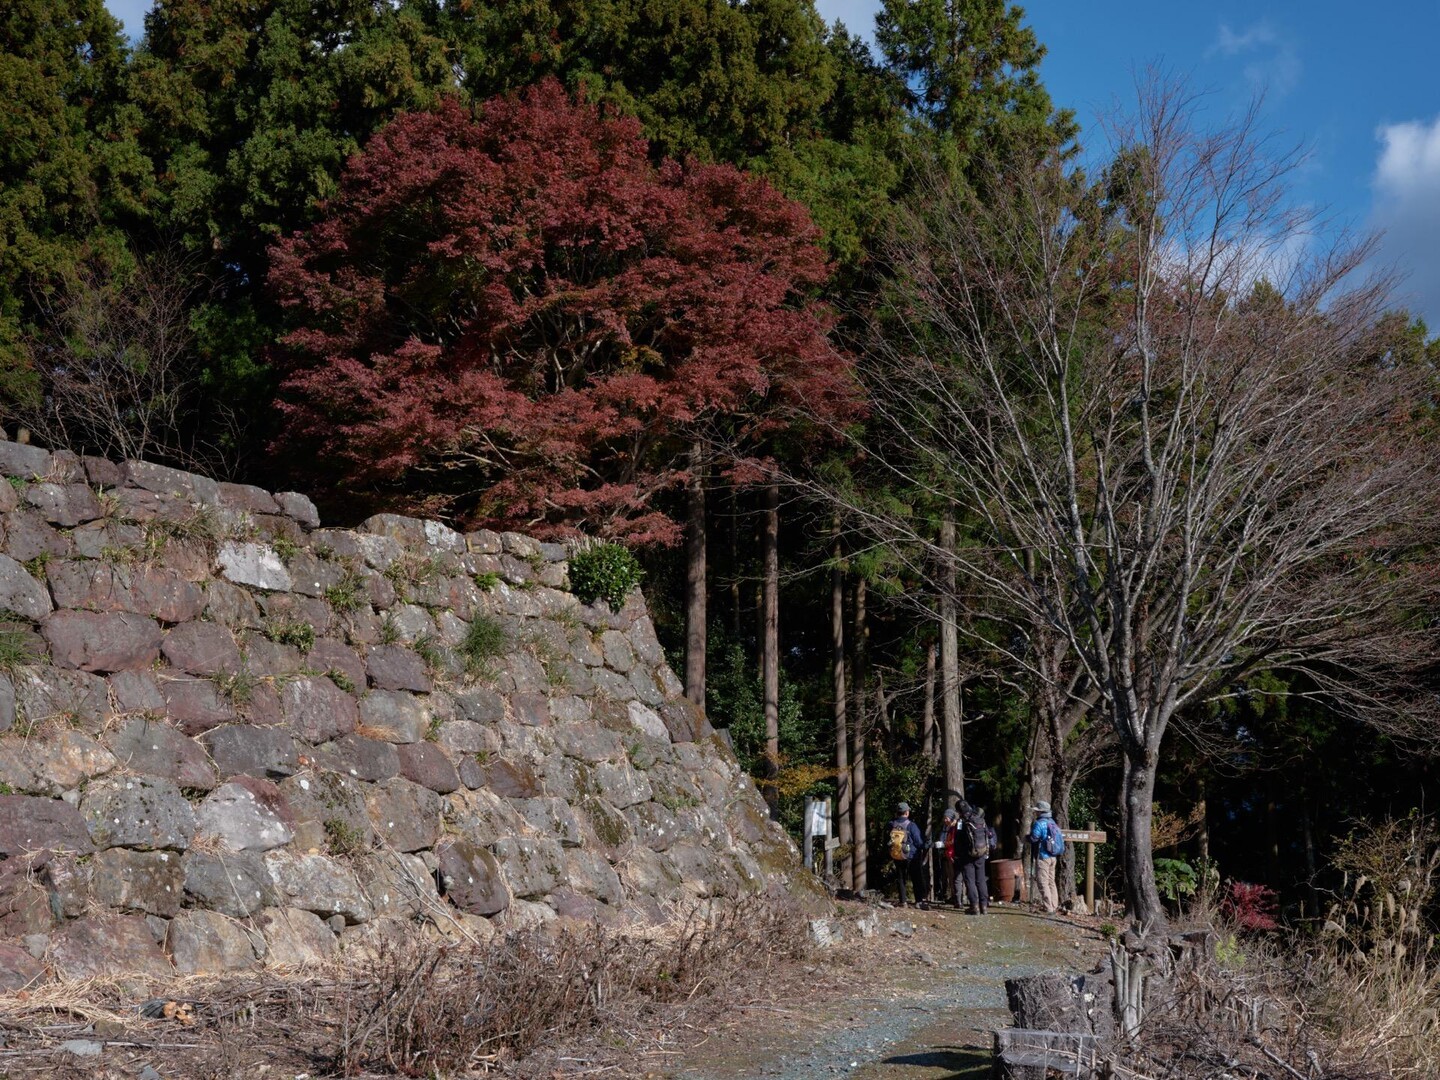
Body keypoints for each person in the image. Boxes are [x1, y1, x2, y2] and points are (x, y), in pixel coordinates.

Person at [955, 801, 992, 914]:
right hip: (981, 853)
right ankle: (984, 906)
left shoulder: (961, 822)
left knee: (970, 880)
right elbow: (987, 834)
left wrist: (958, 854)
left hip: (967, 855)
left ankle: (974, 906)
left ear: (958, 811)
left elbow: (958, 840)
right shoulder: (979, 818)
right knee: (981, 879)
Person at [887, 802, 926, 907]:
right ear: (907, 812)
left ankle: (903, 901)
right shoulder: (911, 825)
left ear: (897, 812)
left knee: (901, 878)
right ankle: (918, 901)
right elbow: (918, 842)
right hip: (911, 856)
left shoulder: (891, 824)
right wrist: (925, 846)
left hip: (897, 854)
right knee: (916, 878)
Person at [1028, 800, 1063, 914]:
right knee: (1051, 881)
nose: (1036, 813)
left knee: (1043, 882)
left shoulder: (1039, 823)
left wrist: (1027, 838)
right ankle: (1054, 905)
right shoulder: (1052, 822)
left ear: (1040, 812)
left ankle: (1049, 908)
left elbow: (1034, 838)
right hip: (1053, 856)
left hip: (1043, 856)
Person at [940, 807, 960, 906]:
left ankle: (957, 899)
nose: (945, 820)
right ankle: (954, 897)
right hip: (949, 854)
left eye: (946, 818)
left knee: (955, 878)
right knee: (951, 878)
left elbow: (954, 842)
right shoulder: (947, 828)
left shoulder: (956, 828)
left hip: (953, 855)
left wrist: (945, 844)